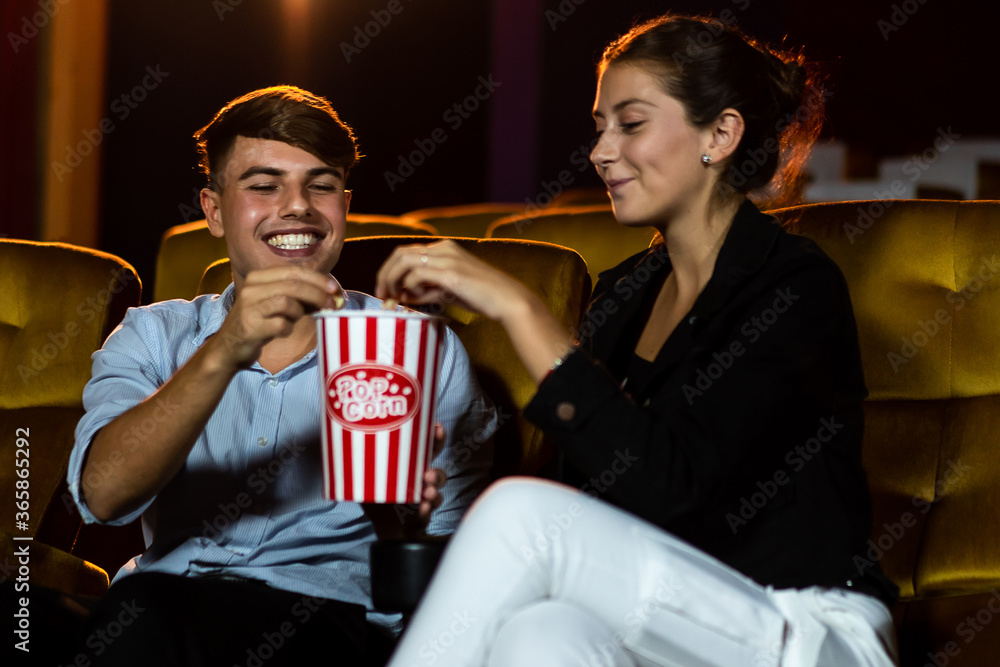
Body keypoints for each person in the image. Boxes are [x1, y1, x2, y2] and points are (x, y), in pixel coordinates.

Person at [375, 14, 899, 667]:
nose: (600, 151)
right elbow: (592, 504)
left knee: (519, 515)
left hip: (809, 629)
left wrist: (518, 307)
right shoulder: (624, 296)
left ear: (722, 133)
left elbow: (673, 492)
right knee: (538, 633)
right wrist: (418, 507)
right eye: (600, 127)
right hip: (674, 632)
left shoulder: (794, 288)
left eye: (631, 123)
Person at [66, 85, 497, 666]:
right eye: (264, 186)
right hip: (160, 608)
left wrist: (400, 533)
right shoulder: (152, 335)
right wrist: (225, 351)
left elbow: (458, 571)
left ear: (344, 205)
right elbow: (104, 495)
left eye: (321, 185)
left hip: (328, 625)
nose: (297, 206)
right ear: (214, 211)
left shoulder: (417, 347)